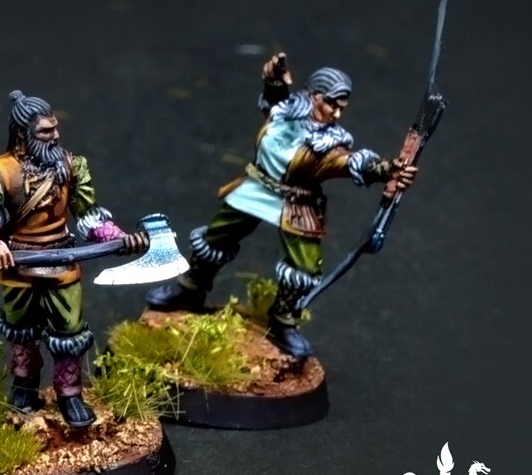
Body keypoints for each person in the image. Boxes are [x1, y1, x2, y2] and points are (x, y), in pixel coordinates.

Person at [146, 52, 417, 359]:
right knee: (215, 237)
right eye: (331, 104)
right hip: (255, 187)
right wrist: (275, 78)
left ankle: (283, 321)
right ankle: (190, 290)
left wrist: (388, 170)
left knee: (304, 266)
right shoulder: (285, 113)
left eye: (342, 107)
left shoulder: (330, 144)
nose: (337, 113)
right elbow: (276, 98)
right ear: (314, 96)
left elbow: (352, 162)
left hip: (296, 204)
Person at [0, 90, 147, 428]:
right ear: (23, 134)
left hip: (61, 262)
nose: (56, 135)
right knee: (21, 331)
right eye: (46, 131)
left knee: (69, 334)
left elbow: (88, 215)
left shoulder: (72, 165)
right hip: (17, 264)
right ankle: (24, 388)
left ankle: (69, 394)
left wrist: (118, 238)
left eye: (55, 127)